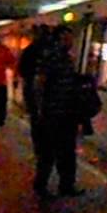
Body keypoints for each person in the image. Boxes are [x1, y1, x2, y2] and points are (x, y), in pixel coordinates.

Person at [32, 27, 86, 203]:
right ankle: (43, 186)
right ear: (58, 40)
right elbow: (40, 83)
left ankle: (65, 184)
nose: (70, 42)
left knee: (66, 150)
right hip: (53, 112)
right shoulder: (52, 57)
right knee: (51, 151)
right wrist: (40, 109)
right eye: (67, 39)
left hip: (66, 111)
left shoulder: (66, 58)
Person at [17, 24, 51, 154]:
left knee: (36, 119)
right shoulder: (54, 50)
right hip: (51, 93)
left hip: (32, 90)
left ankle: (39, 148)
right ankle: (48, 146)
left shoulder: (29, 50)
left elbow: (22, 70)